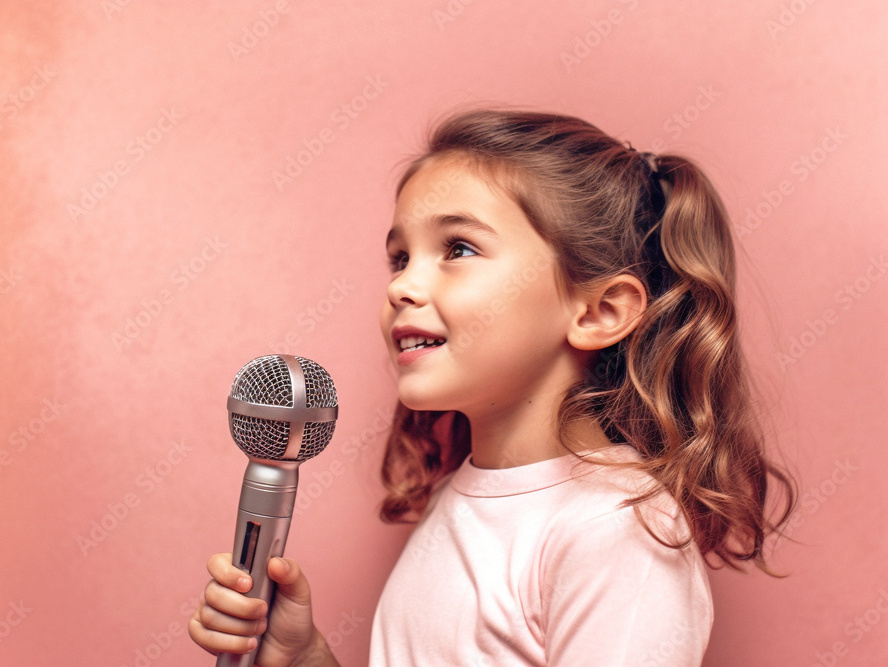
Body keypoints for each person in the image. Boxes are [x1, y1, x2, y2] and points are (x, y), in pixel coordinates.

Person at [188, 109, 796, 665]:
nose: (402, 287)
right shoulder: (470, 496)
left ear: (599, 311)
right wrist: (305, 660)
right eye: (400, 258)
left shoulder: (617, 530)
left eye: (457, 247)